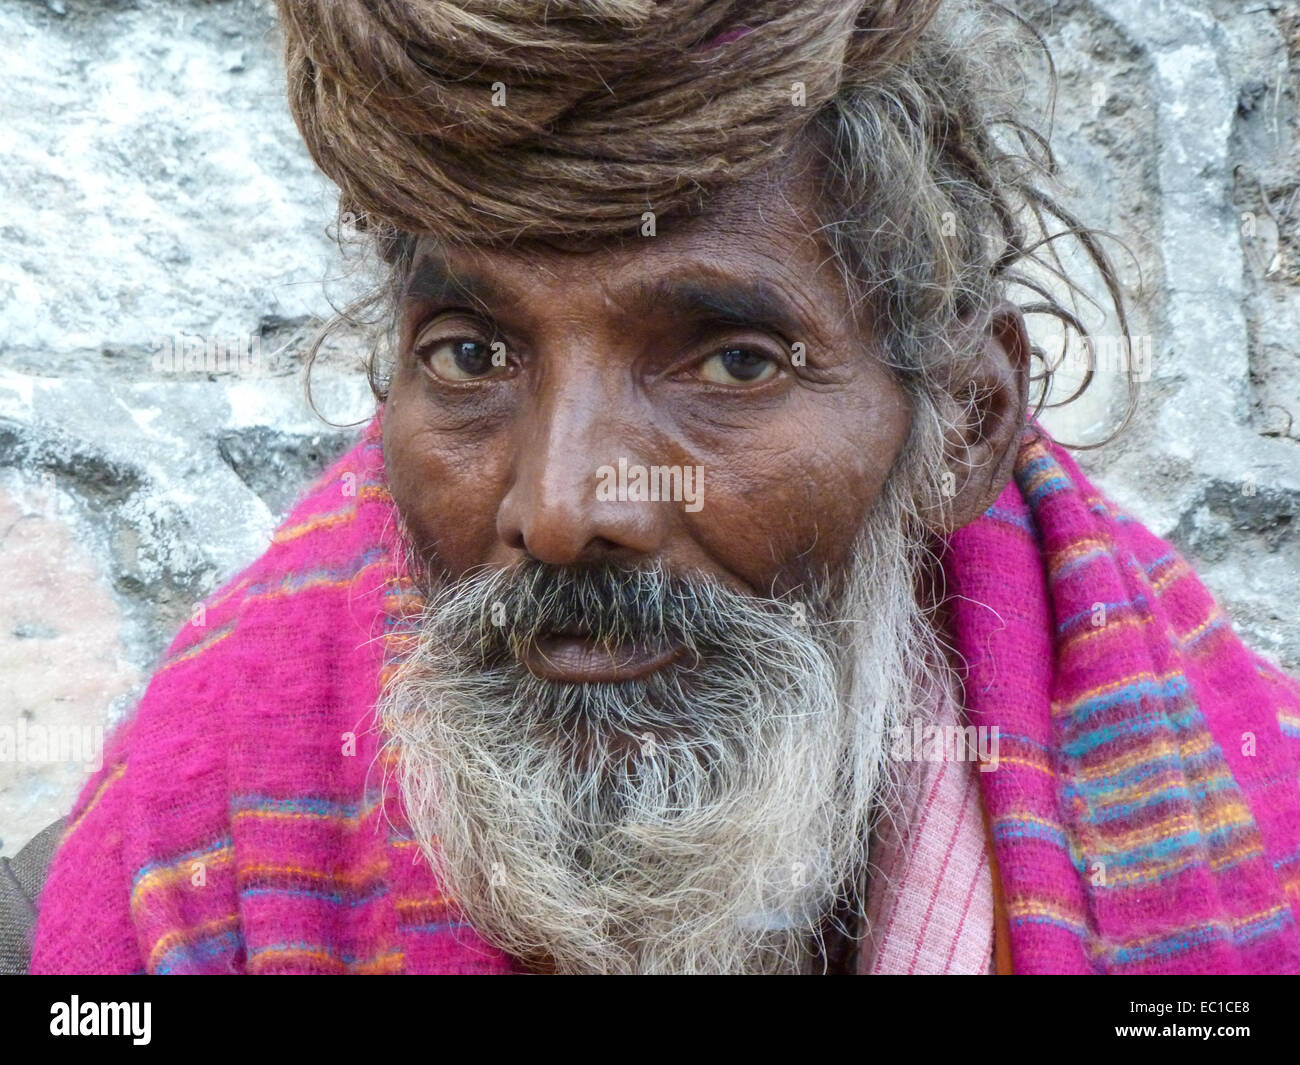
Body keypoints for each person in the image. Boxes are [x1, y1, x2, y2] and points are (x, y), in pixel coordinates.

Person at [19, 0, 1300, 975]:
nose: (566, 508)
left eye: (732, 361)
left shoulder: (1259, 866)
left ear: (965, 425)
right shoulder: (131, 905)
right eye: (471, 353)